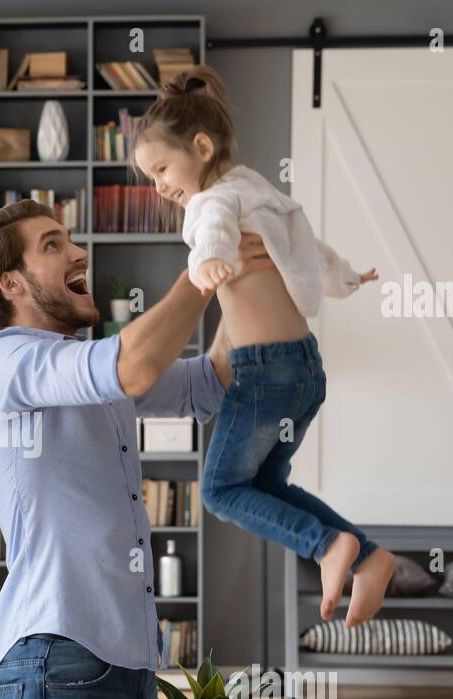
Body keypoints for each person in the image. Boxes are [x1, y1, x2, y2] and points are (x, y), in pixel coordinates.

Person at [0, 198, 273, 699]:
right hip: (57, 657)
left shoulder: (82, 367)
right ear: (10, 284)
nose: (77, 254)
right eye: (52, 245)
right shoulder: (2, 359)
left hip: (127, 665)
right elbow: (133, 367)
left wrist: (243, 282)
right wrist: (204, 267)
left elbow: (205, 384)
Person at [131, 63, 395, 627]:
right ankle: (367, 557)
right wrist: (346, 277)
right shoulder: (264, 192)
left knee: (223, 491)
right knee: (267, 486)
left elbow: (213, 232)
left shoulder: (212, 204)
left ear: (201, 146)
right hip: (304, 371)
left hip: (264, 374)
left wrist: (206, 265)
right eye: (149, 177)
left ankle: (329, 546)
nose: (158, 187)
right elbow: (312, 250)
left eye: (161, 168)